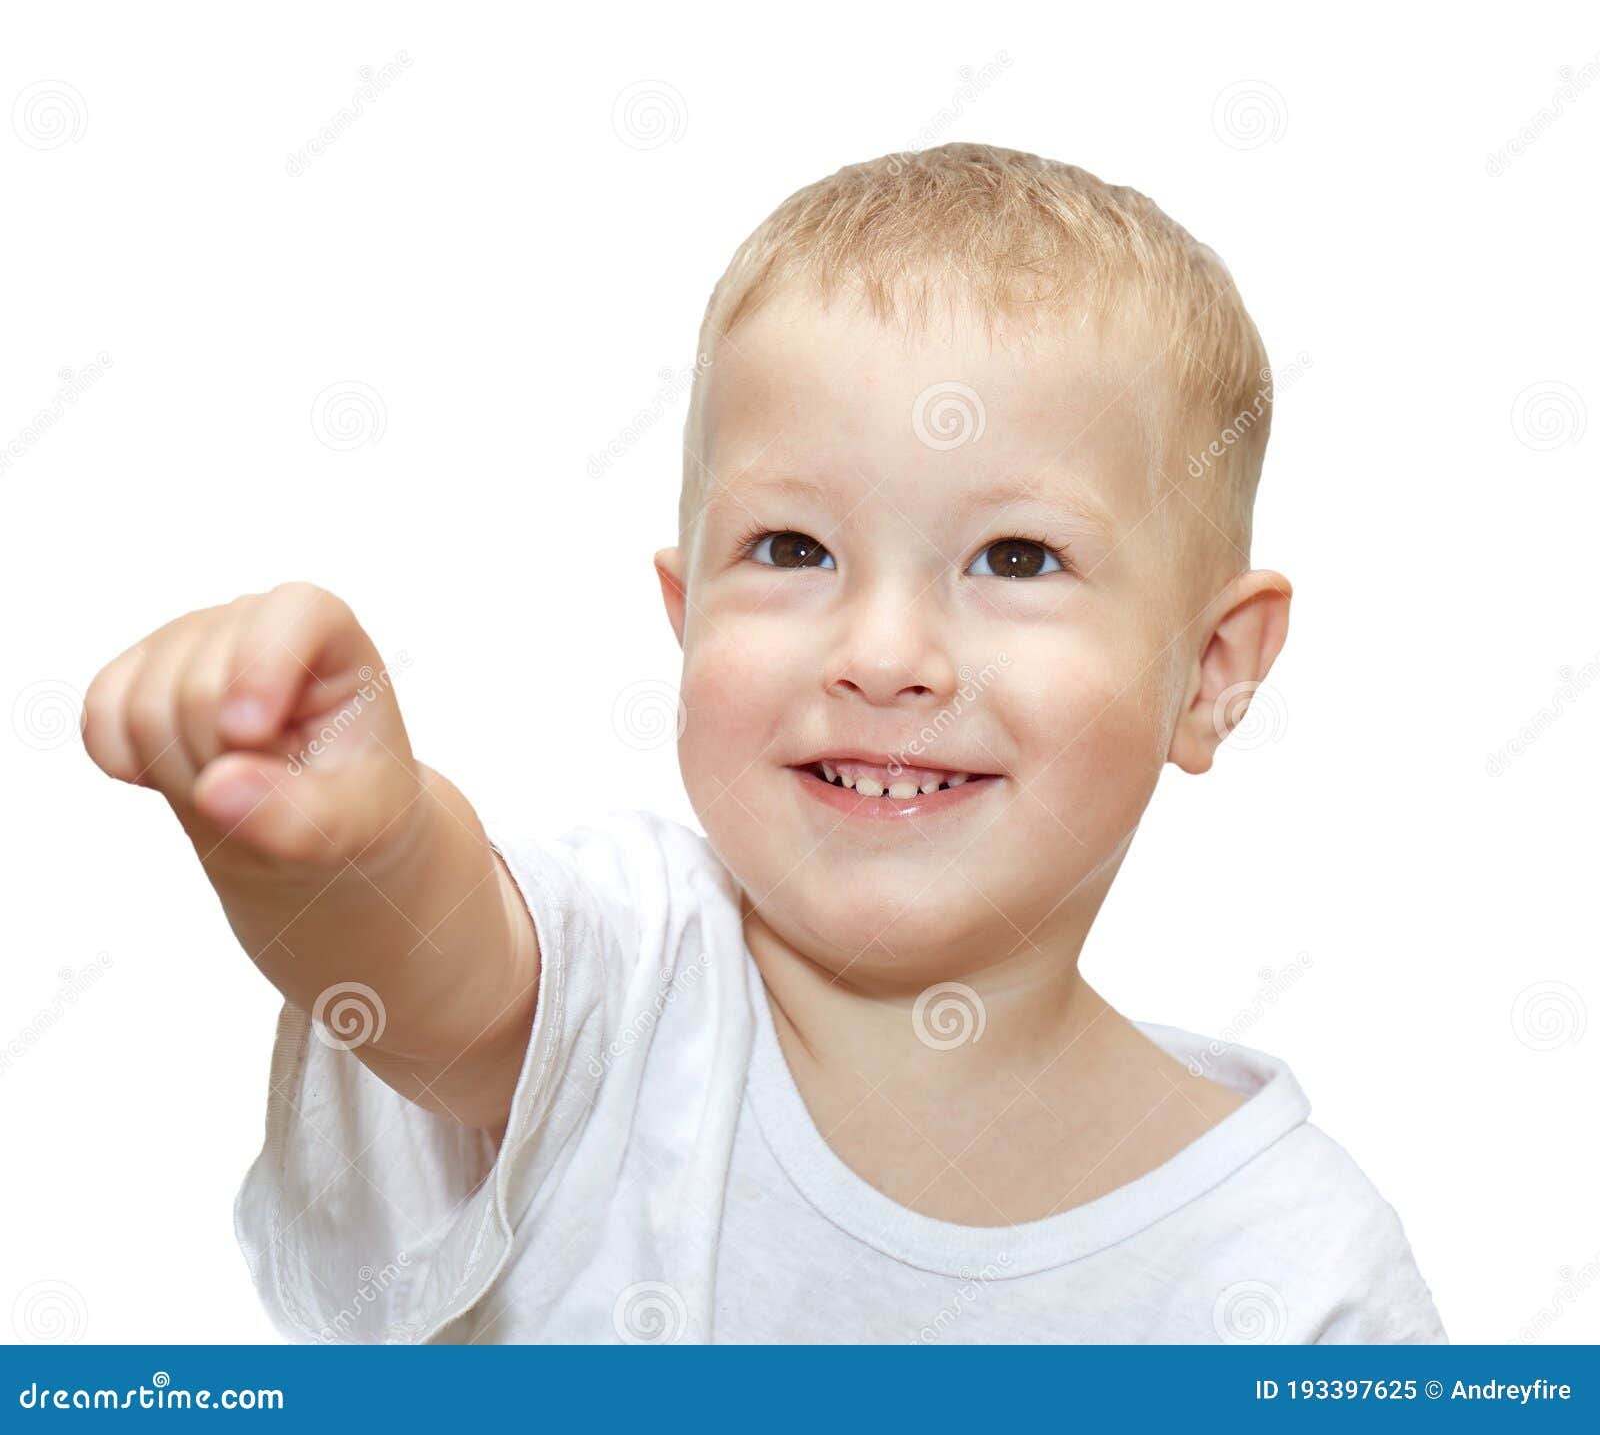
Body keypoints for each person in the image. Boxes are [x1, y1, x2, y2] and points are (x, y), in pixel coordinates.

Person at [81, 142, 1447, 1344]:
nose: (885, 653)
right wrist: (341, 850)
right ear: (686, 617)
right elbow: (435, 969)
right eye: (792, 548)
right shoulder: (634, 982)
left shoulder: (1294, 1269)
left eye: (1015, 555)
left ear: (1210, 671)